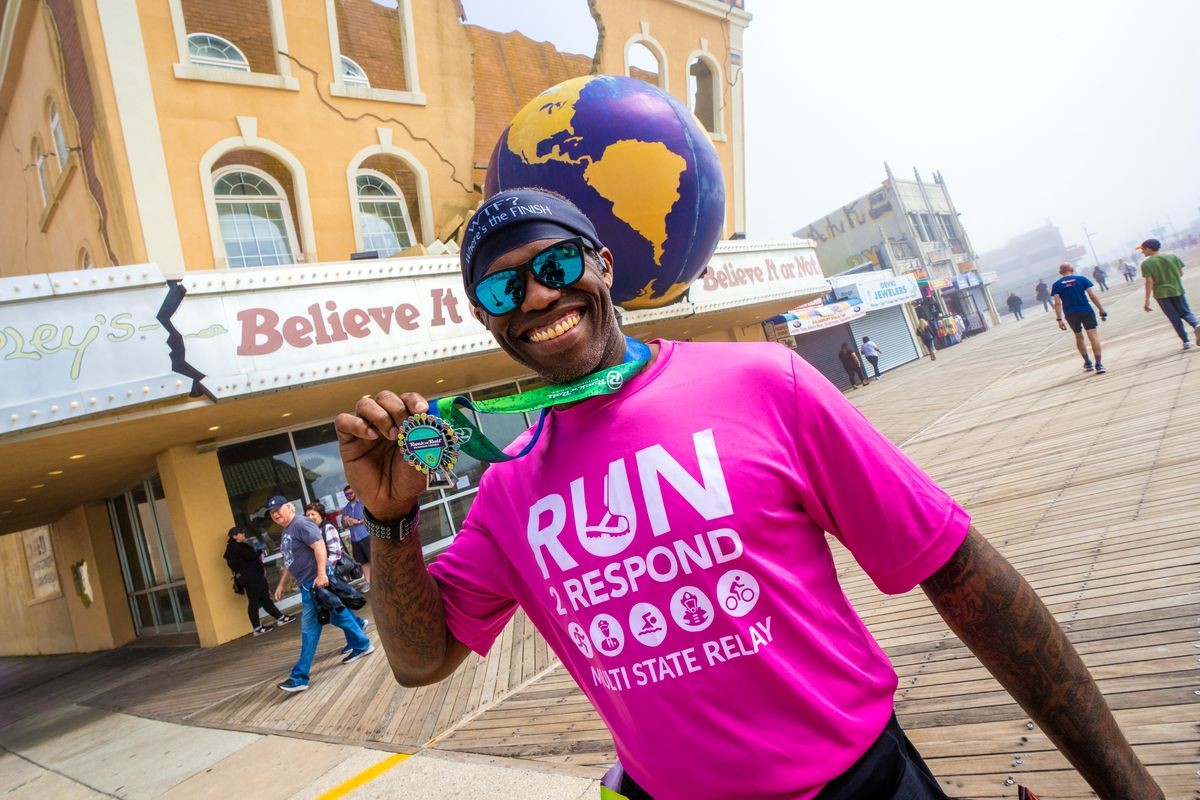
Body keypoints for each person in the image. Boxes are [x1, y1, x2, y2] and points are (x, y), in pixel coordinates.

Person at [333, 188, 1162, 800]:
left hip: (864, 787)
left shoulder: (766, 383)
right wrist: (389, 517)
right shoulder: (509, 484)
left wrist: (1126, 788)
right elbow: (418, 662)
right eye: (503, 290)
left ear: (603, 264)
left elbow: (958, 570)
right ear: (486, 321)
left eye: (554, 265)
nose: (539, 298)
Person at [270, 495, 373, 693]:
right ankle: (362, 643)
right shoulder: (287, 531)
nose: (275, 515)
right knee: (337, 616)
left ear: (290, 507)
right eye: (272, 513)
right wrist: (282, 585)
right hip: (307, 585)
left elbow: (319, 546)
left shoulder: (301, 524)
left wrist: (321, 573)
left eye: (278, 510)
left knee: (309, 630)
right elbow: (289, 562)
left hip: (314, 584)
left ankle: (299, 677)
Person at [306, 500, 369, 650]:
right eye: (307, 514)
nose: (310, 517)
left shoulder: (327, 528)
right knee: (340, 606)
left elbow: (336, 552)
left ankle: (356, 634)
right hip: (327, 574)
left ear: (321, 514)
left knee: (339, 607)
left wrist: (326, 570)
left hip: (333, 573)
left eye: (313, 514)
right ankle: (356, 631)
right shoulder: (313, 531)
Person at [223, 525, 293, 636]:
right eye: (241, 533)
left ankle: (280, 618)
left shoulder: (235, 548)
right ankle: (257, 627)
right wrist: (258, 553)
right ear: (235, 536)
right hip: (252, 578)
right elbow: (250, 557)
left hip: (254, 577)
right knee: (255, 602)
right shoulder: (236, 548)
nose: (244, 534)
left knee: (264, 599)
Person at [1137, 238, 1199, 350]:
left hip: (1162, 294)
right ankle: (1196, 325)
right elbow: (1180, 273)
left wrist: (1147, 301)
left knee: (1174, 317)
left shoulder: (1146, 264)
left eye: (1143, 249)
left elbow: (1149, 282)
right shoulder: (1172, 257)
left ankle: (1186, 341)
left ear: (1149, 249)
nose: (1142, 252)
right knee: (1185, 312)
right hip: (1177, 290)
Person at [1051, 262, 1108, 374]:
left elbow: (1057, 303)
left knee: (1079, 336)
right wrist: (1101, 309)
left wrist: (1059, 319)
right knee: (1093, 336)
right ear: (1072, 269)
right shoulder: (1081, 279)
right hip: (1086, 310)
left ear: (1060, 272)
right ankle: (1099, 365)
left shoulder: (1056, 284)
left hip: (1071, 314)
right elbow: (1092, 296)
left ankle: (1088, 363)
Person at [341, 486, 371, 591]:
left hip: (366, 536)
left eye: (350, 493)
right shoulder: (346, 509)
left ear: (355, 492)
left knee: (373, 559)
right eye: (347, 494)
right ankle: (368, 582)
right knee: (363, 562)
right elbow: (343, 526)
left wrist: (357, 521)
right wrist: (345, 521)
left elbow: (370, 516)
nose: (349, 495)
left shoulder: (363, 503)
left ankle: (381, 579)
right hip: (355, 539)